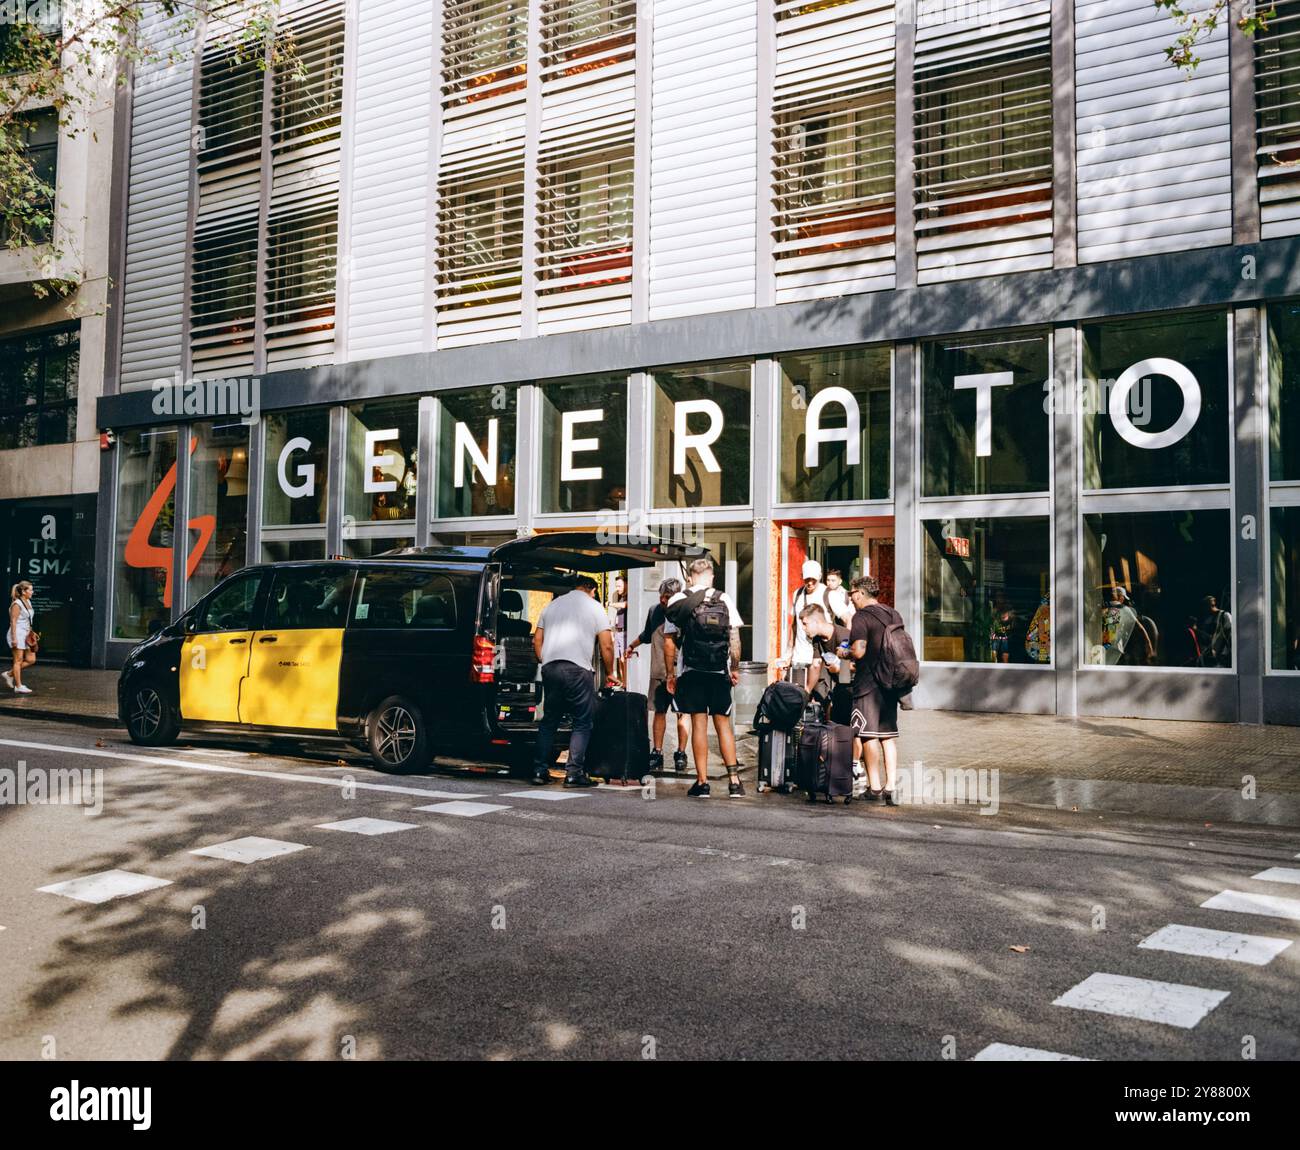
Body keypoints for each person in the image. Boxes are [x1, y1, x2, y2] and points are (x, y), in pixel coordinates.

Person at [662, 557, 745, 798]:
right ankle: (734, 782)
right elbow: (735, 638)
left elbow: (669, 641)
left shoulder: (679, 599)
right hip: (719, 671)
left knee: (699, 722)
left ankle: (702, 782)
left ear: (689, 577)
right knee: (723, 723)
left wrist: (670, 674)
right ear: (710, 576)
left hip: (692, 672)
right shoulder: (723, 598)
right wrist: (735, 668)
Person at [530, 575, 617, 788]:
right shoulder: (595, 607)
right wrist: (610, 672)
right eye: (595, 591)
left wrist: (545, 659)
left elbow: (537, 640)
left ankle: (539, 770)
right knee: (582, 721)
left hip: (550, 668)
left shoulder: (553, 605)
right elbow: (606, 645)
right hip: (577, 669)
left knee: (549, 720)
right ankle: (573, 773)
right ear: (591, 589)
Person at [626, 577, 690, 774]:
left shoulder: (685, 612)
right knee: (658, 711)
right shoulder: (654, 610)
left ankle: (681, 753)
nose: (663, 600)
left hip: (681, 671)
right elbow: (647, 634)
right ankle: (658, 752)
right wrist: (631, 646)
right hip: (658, 670)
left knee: (682, 712)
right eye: (661, 596)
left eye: (667, 597)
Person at [847, 576, 903, 805]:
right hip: (890, 682)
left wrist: (844, 653)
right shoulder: (893, 613)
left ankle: (875, 787)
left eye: (852, 593)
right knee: (888, 736)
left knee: (868, 735)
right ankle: (891, 787)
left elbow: (859, 651)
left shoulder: (861, 617)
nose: (850, 598)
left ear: (860, 593)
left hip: (868, 684)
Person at [799, 602, 854, 727]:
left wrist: (838, 669)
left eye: (805, 624)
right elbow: (815, 665)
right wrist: (807, 691)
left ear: (817, 622)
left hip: (854, 686)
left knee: (848, 729)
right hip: (841, 685)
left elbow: (849, 670)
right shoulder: (817, 639)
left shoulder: (843, 636)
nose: (803, 628)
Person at [783, 559, 828, 680]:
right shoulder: (797, 594)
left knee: (820, 696)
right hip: (799, 656)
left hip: (821, 657)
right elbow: (794, 625)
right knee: (797, 695)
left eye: (813, 579)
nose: (810, 583)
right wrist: (788, 653)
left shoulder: (828, 594)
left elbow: (847, 619)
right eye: (807, 579)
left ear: (819, 576)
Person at [5, 581, 36, 694]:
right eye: (30, 590)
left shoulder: (28, 601)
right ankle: (18, 686)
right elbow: (13, 622)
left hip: (26, 634)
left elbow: (28, 620)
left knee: (31, 659)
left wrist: (31, 632)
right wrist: (14, 638)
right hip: (17, 633)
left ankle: (9, 674)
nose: (32, 592)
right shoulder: (17, 604)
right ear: (23, 591)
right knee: (18, 660)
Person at [1198, 595, 1233, 668]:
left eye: (1204, 607)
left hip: (1223, 656)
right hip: (1211, 657)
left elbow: (1230, 634)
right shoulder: (1208, 620)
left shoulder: (1225, 615)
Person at [989, 590, 1017, 664]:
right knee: (994, 651)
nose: (999, 598)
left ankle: (1005, 665)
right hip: (995, 634)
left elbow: (1013, 620)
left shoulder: (1008, 608)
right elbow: (991, 621)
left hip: (1005, 634)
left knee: (1005, 652)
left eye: (1000, 596)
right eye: (997, 596)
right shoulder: (994, 608)